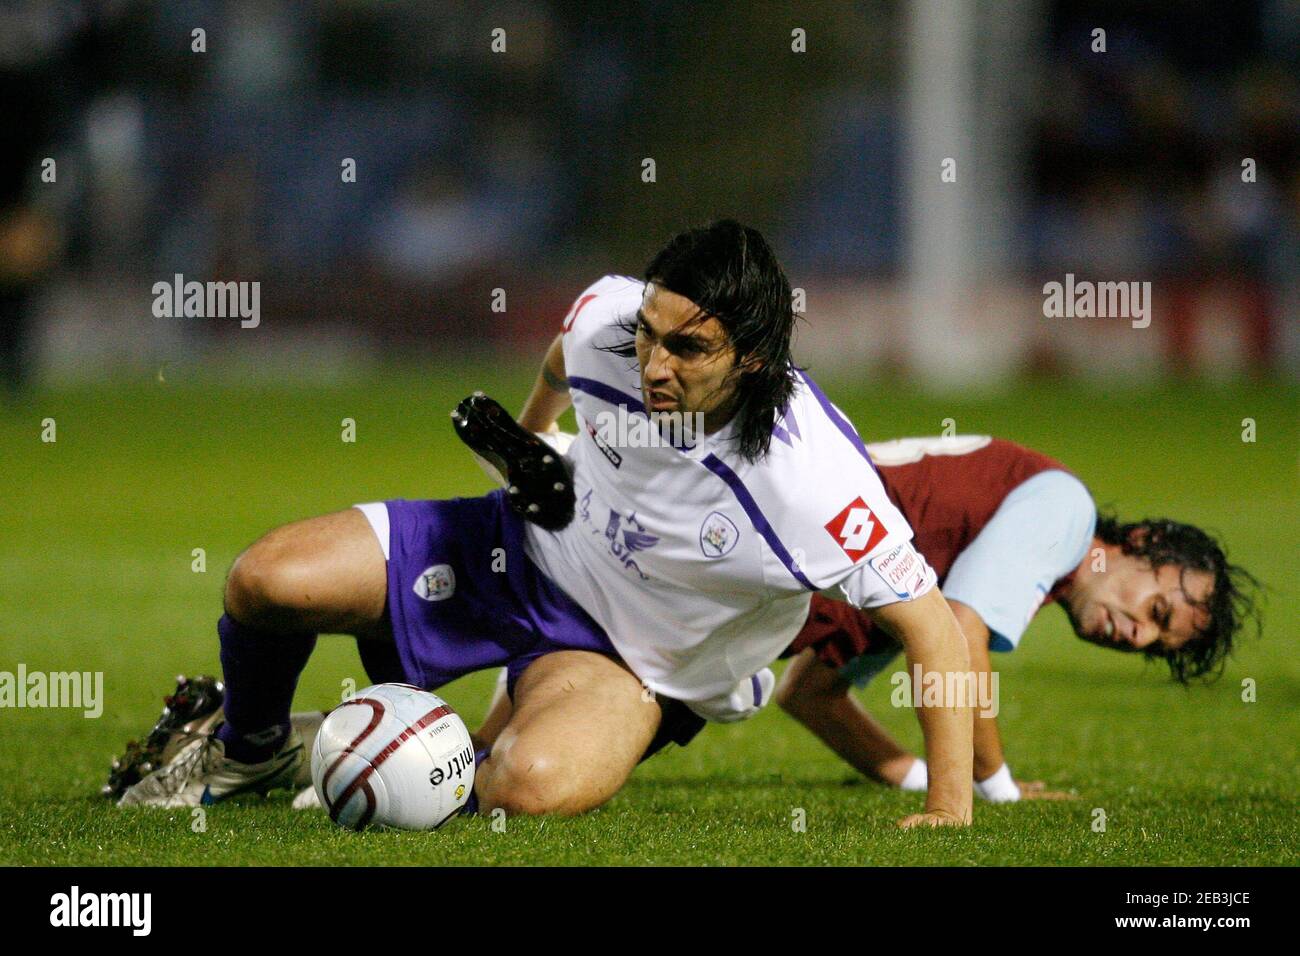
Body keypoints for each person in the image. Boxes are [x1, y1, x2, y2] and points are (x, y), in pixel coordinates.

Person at [117, 220, 973, 827]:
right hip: (525, 548)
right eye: (649, 334)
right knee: (267, 580)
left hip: (634, 660)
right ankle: (251, 747)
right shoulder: (609, 321)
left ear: (752, 358)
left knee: (524, 787)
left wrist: (948, 809)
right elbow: (564, 359)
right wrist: (532, 446)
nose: (652, 365)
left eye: (687, 350)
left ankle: (397, 744)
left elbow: (932, 626)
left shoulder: (812, 482)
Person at [770, 435, 1260, 801]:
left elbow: (810, 697)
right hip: (774, 531)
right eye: (1156, 611)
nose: (1138, 636)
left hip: (780, 540)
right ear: (1143, 539)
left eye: (1154, 643)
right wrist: (996, 787)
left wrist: (918, 777)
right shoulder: (1065, 512)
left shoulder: (920, 570)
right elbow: (961, 632)